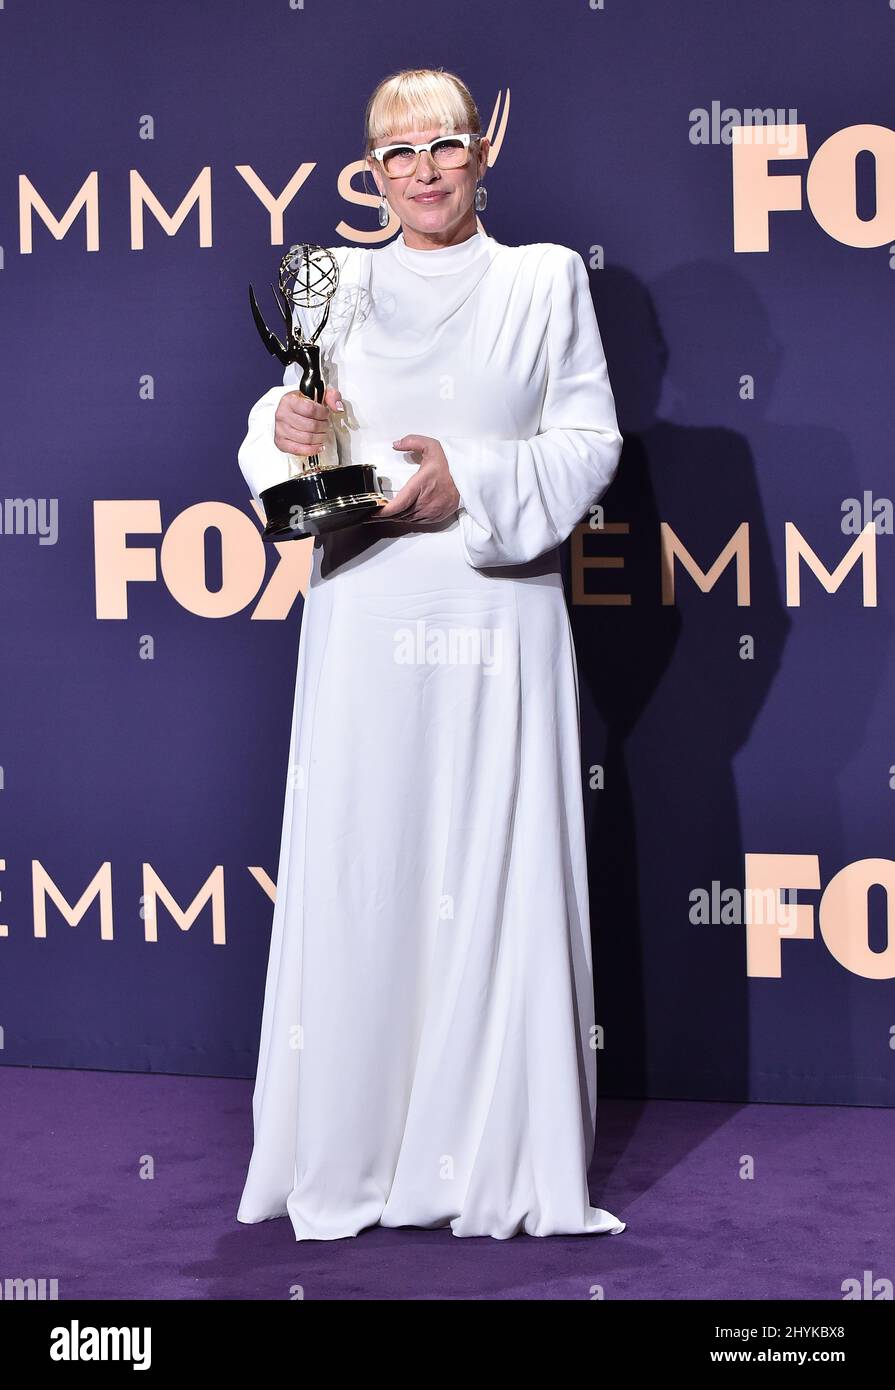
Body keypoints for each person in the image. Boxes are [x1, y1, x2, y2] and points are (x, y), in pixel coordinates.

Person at [235, 67, 626, 1241]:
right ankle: (350, 1150)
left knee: (490, 871)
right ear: (369, 170)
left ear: (484, 151)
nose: (420, 172)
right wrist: (284, 431)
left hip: (495, 612)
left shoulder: (542, 279)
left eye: (443, 145)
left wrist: (477, 480)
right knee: (367, 868)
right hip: (362, 608)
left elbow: (590, 439)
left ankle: (490, 1159)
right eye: (392, 155)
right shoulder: (331, 282)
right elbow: (279, 430)